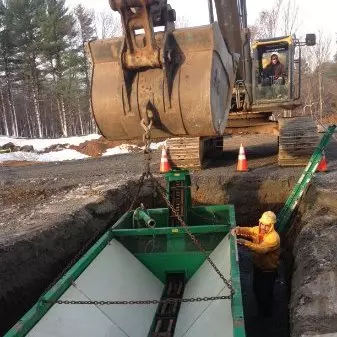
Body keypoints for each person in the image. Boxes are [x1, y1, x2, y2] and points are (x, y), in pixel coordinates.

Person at [231, 211, 280, 317]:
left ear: (271, 226)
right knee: (257, 289)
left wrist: (245, 243)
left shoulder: (273, 238)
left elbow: (262, 249)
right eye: (262, 224)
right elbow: (249, 231)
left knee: (266, 294)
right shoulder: (258, 230)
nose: (263, 227)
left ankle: (266, 315)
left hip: (269, 272)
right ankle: (261, 309)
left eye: (267, 226)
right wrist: (238, 230)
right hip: (258, 268)